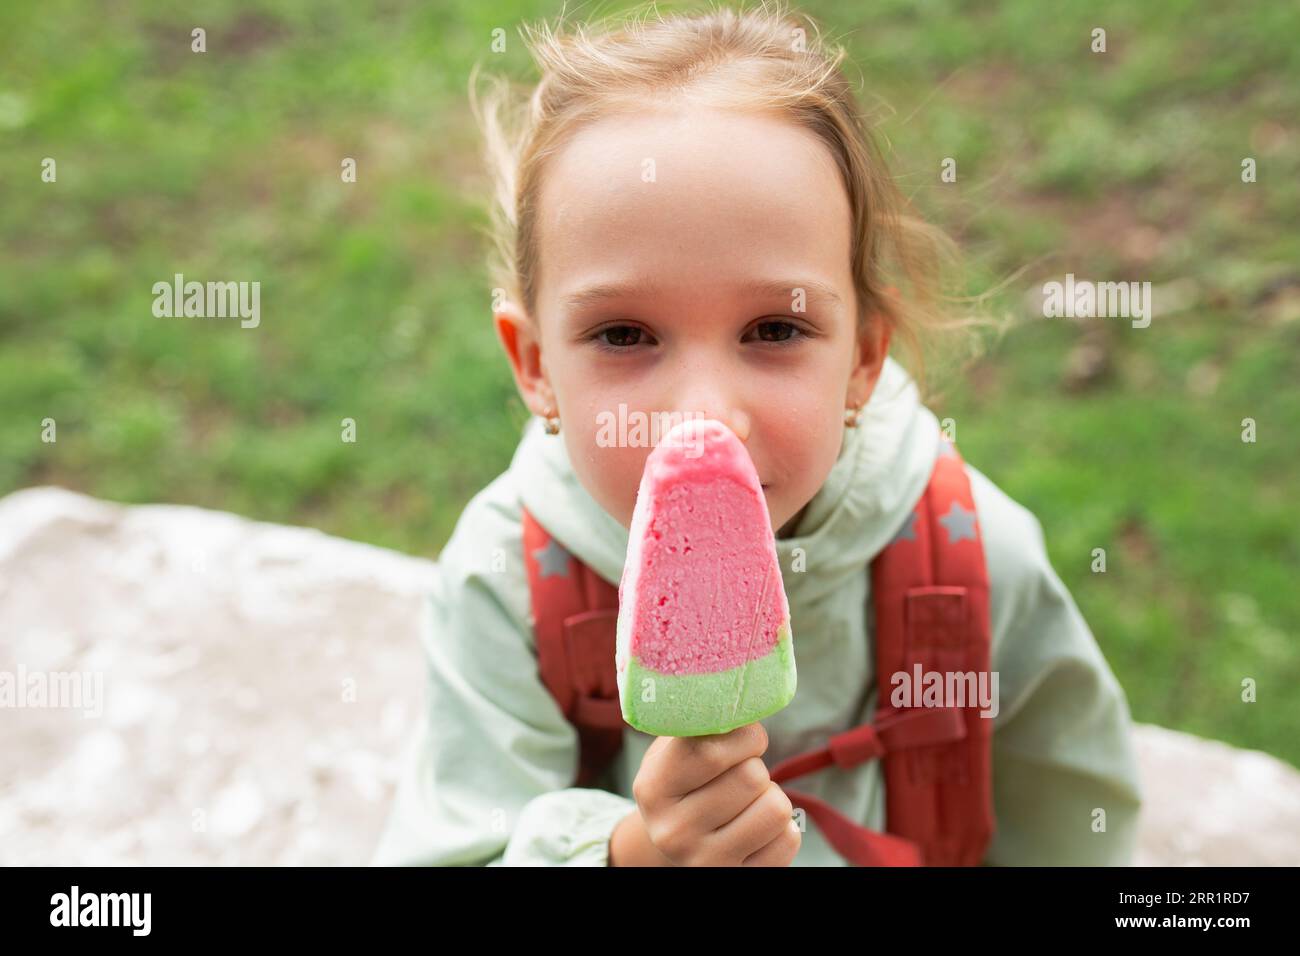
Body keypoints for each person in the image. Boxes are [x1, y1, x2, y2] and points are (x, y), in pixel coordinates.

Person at [371, 0, 1141, 866]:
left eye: (774, 329)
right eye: (625, 335)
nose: (703, 418)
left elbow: (1083, 836)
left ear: (863, 357)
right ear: (536, 364)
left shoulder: (973, 562)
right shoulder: (506, 586)